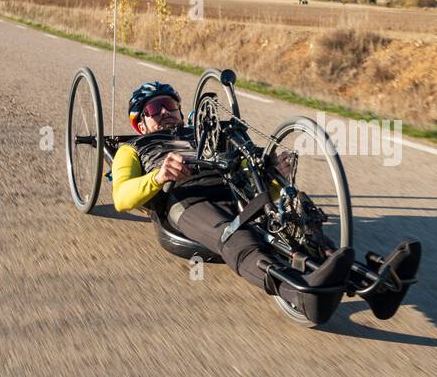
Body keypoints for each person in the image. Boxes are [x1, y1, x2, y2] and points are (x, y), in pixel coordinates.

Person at [110, 80, 420, 323]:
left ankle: (376, 287)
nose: (165, 112)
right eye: (154, 109)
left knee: (297, 223)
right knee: (237, 236)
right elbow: (122, 197)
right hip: (187, 198)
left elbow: (253, 173)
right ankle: (297, 294)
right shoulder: (135, 148)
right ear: (140, 122)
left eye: (169, 105)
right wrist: (160, 176)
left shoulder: (209, 133)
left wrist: (273, 172)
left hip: (236, 190)